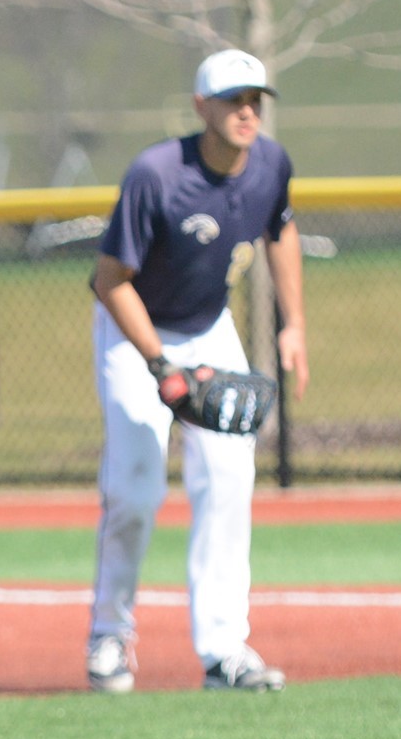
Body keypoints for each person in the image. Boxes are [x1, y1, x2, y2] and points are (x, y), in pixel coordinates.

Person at [85, 48, 308, 694]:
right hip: (137, 330)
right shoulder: (156, 175)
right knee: (135, 488)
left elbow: (281, 229)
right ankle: (108, 632)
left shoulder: (270, 163)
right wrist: (160, 366)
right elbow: (109, 281)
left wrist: (293, 322)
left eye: (255, 100)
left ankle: (223, 649)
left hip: (209, 327)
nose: (247, 111)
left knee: (230, 478)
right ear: (200, 107)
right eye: (233, 100)